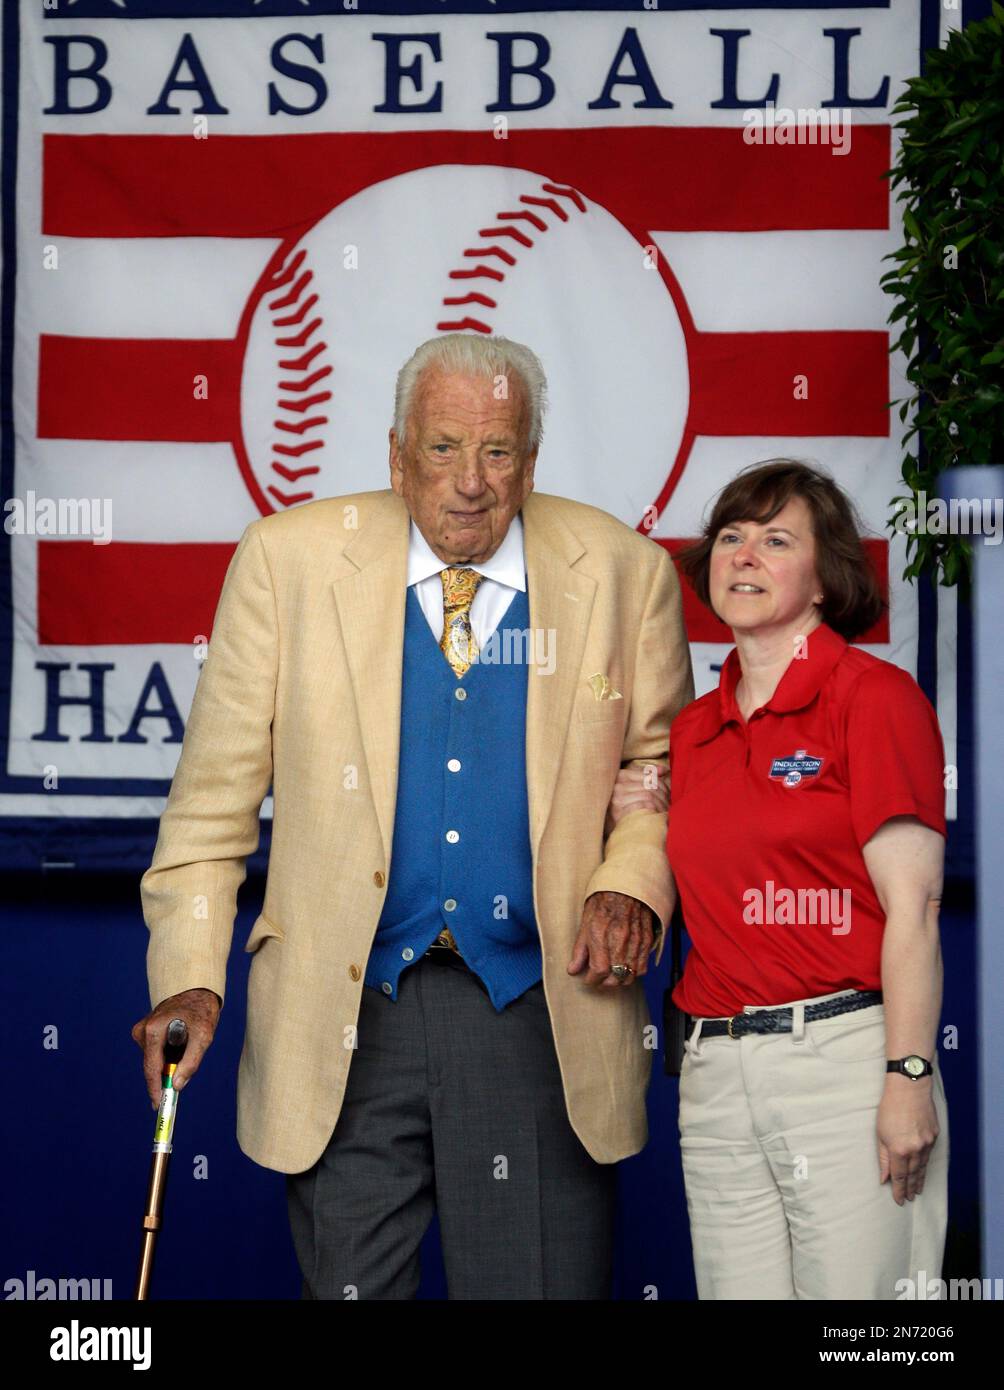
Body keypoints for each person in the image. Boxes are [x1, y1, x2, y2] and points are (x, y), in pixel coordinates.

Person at [132, 332, 694, 1300]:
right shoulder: (287, 561)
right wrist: (189, 978)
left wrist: (626, 880)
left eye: (496, 451)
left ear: (531, 456)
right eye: (441, 448)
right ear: (396, 455)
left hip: (540, 1007)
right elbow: (209, 808)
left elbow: (659, 765)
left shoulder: (621, 570)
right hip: (342, 1013)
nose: (469, 482)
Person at [609, 459, 949, 1300]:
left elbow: (915, 909)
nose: (745, 556)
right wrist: (632, 806)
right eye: (730, 537)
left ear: (826, 576)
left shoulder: (875, 698)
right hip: (717, 1074)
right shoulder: (694, 729)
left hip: (842, 1060)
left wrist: (906, 1077)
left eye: (775, 539)